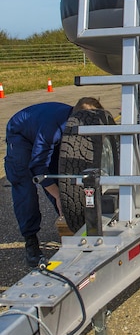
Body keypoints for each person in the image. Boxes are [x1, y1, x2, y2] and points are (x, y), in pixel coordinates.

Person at [4, 97, 106, 267]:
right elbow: (38, 166)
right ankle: (31, 243)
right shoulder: (51, 129)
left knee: (62, 176)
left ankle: (68, 226)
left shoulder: (79, 123)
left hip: (48, 130)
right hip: (21, 135)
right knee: (25, 186)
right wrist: (58, 196)